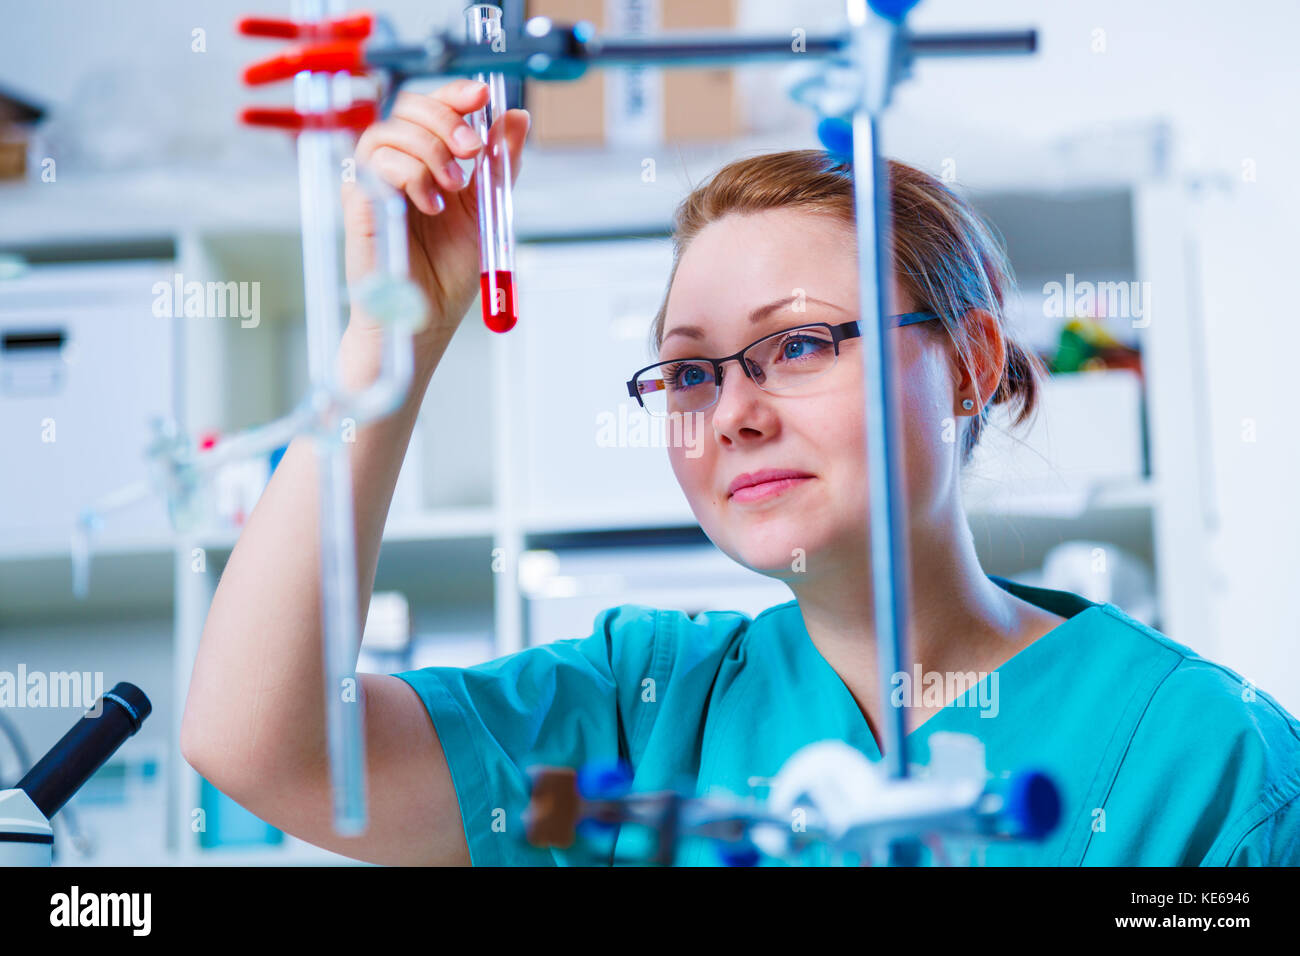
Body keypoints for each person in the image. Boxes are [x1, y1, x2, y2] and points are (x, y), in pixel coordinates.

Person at [180, 78, 1300, 867]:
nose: (734, 414)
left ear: (968, 362)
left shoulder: (1199, 755)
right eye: (686, 373)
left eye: (801, 342)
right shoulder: (633, 724)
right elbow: (262, 742)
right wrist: (394, 340)